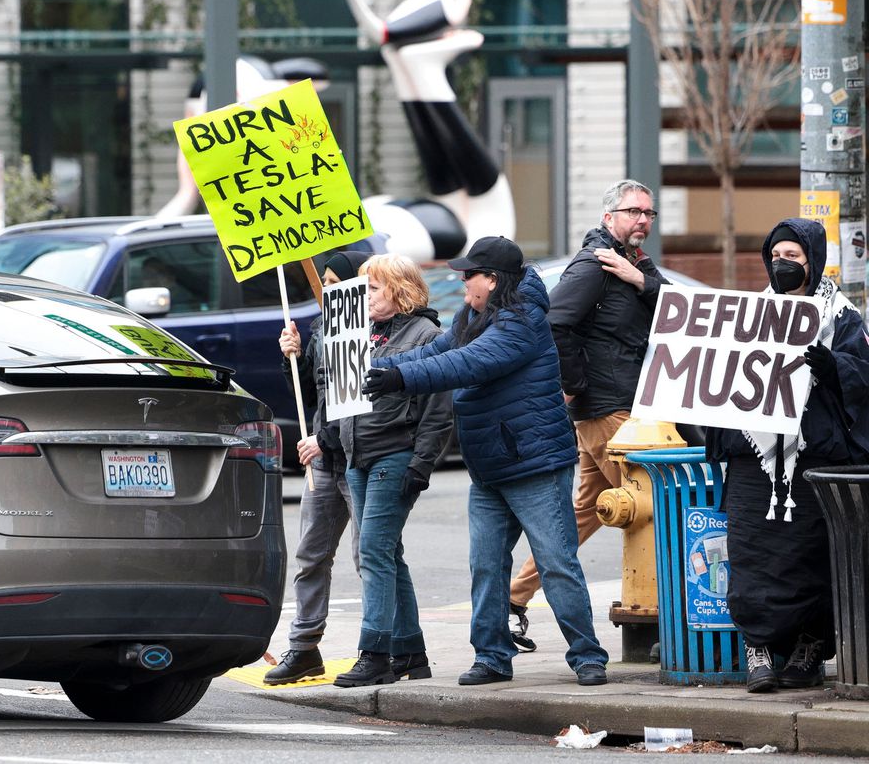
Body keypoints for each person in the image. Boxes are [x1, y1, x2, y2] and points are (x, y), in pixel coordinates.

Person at [362, 236, 610, 686]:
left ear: (492, 281)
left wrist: (400, 377)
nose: (460, 281)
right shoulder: (470, 315)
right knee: (485, 565)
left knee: (556, 563)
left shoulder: (524, 320)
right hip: (490, 465)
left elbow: (469, 363)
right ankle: (492, 657)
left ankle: (587, 655)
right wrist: (375, 364)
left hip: (533, 462)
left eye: (469, 274)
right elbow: (435, 353)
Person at [705, 218, 869, 693]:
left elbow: (864, 377)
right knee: (752, 551)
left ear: (813, 261)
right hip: (754, 457)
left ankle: (809, 648)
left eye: (793, 258)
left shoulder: (841, 317)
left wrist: (834, 366)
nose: (782, 265)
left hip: (816, 456)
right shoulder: (749, 313)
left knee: (812, 557)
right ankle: (757, 649)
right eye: (775, 257)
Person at [507, 179, 667, 651]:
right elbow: (555, 323)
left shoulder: (634, 262)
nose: (641, 220)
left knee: (581, 515)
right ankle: (668, 619)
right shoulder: (595, 264)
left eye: (648, 213)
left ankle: (511, 602)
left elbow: (673, 303)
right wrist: (575, 386)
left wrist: (638, 279)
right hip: (606, 410)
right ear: (608, 217)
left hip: (621, 405)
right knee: (655, 506)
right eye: (633, 211)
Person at [331, 254, 450, 687]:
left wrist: (421, 464)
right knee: (387, 554)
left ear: (399, 290)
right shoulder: (358, 332)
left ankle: (375, 652)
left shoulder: (426, 335)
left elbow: (438, 410)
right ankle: (411, 653)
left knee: (373, 553)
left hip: (395, 453)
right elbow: (334, 390)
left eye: (374, 288)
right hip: (357, 454)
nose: (364, 296)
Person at [265, 251, 371, 685]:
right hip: (325, 460)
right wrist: (296, 357)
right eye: (322, 280)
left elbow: (362, 405)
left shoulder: (372, 329)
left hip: (359, 459)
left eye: (333, 280)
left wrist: (322, 440)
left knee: (372, 558)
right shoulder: (323, 325)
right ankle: (305, 647)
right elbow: (316, 391)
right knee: (311, 555)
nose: (325, 288)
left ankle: (385, 644)